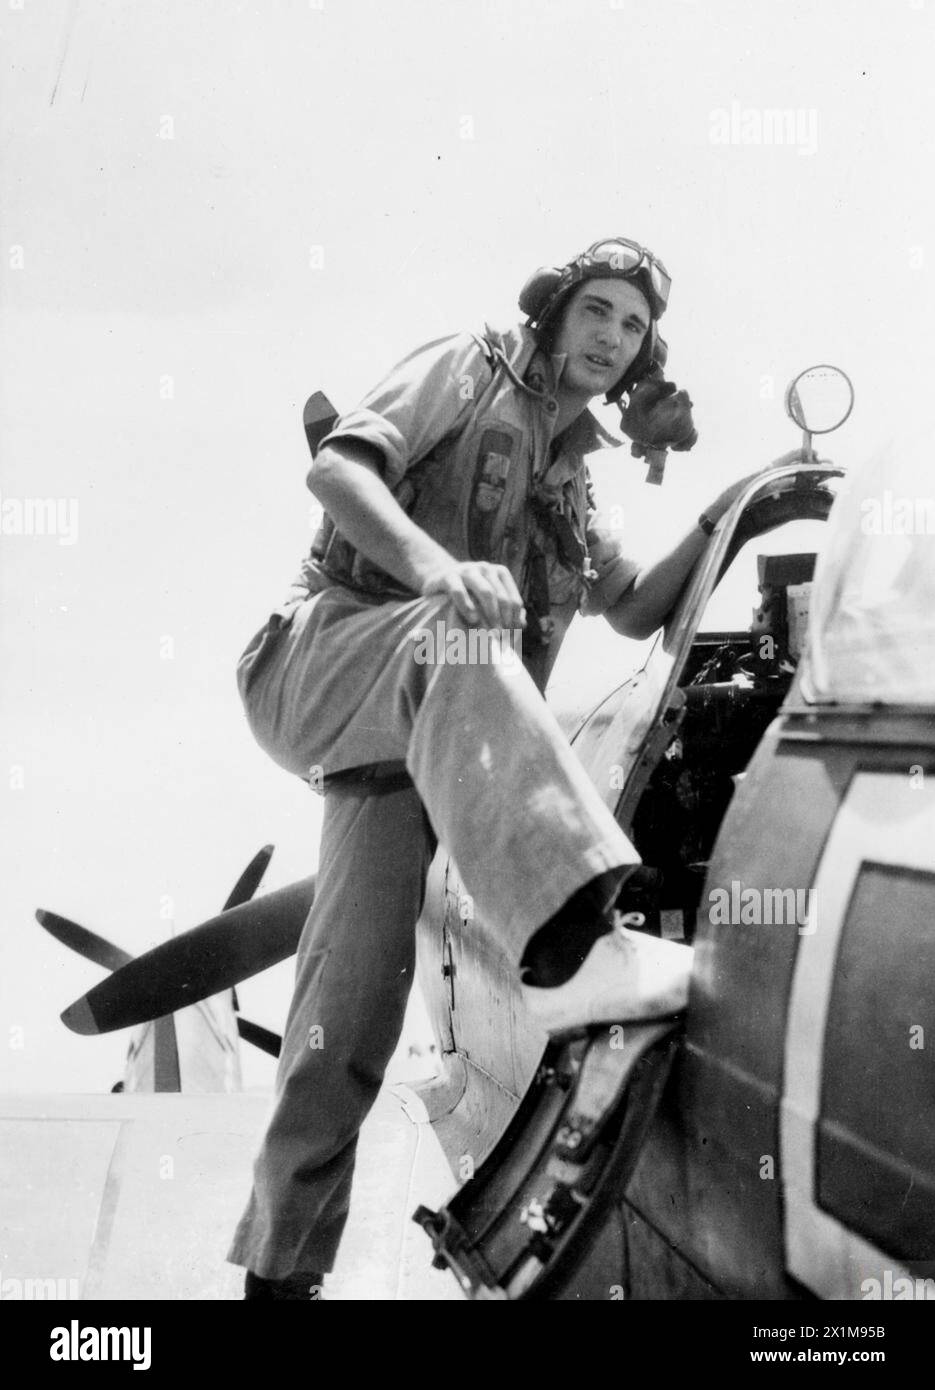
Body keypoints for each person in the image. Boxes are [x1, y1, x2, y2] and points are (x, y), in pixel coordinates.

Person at [228, 237, 745, 1299]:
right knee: (462, 641)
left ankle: (276, 1281)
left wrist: (732, 503)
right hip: (322, 656)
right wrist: (438, 572)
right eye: (595, 311)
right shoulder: (467, 368)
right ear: (554, 314)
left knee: (345, 1018)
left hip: (400, 756)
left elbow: (634, 601)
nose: (610, 338)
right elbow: (337, 467)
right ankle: (571, 951)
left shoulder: (571, 484)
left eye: (632, 326)